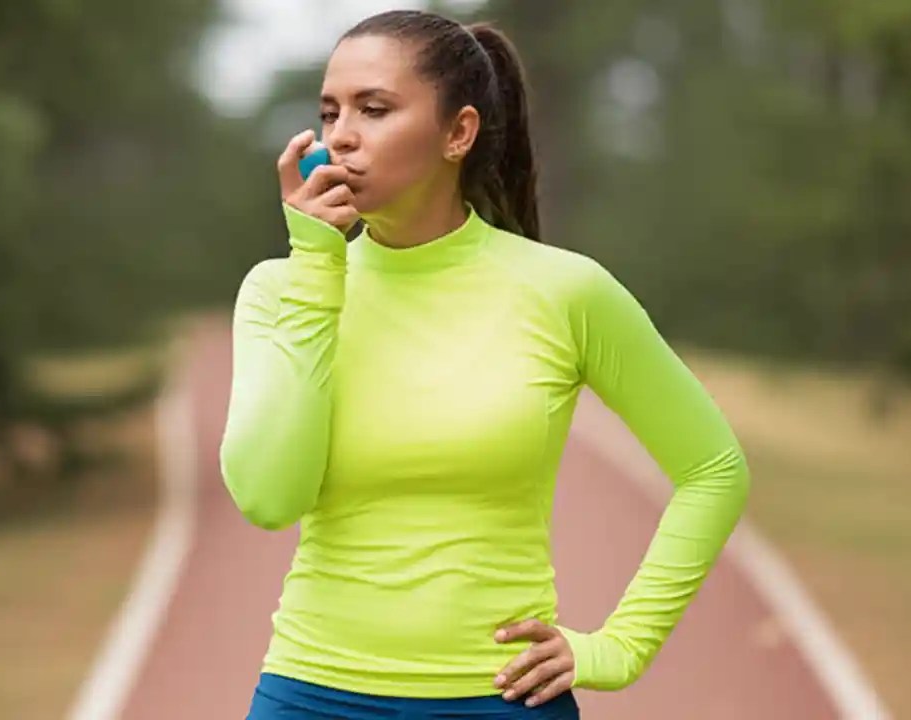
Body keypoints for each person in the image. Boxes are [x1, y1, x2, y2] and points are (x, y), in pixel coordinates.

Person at [219, 9, 751, 719]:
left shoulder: (566, 291)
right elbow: (268, 498)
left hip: (498, 699)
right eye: (329, 112)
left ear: (458, 133)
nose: (340, 135)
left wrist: (619, 647)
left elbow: (714, 469)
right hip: (309, 695)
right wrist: (317, 266)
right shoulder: (280, 290)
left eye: (374, 109)